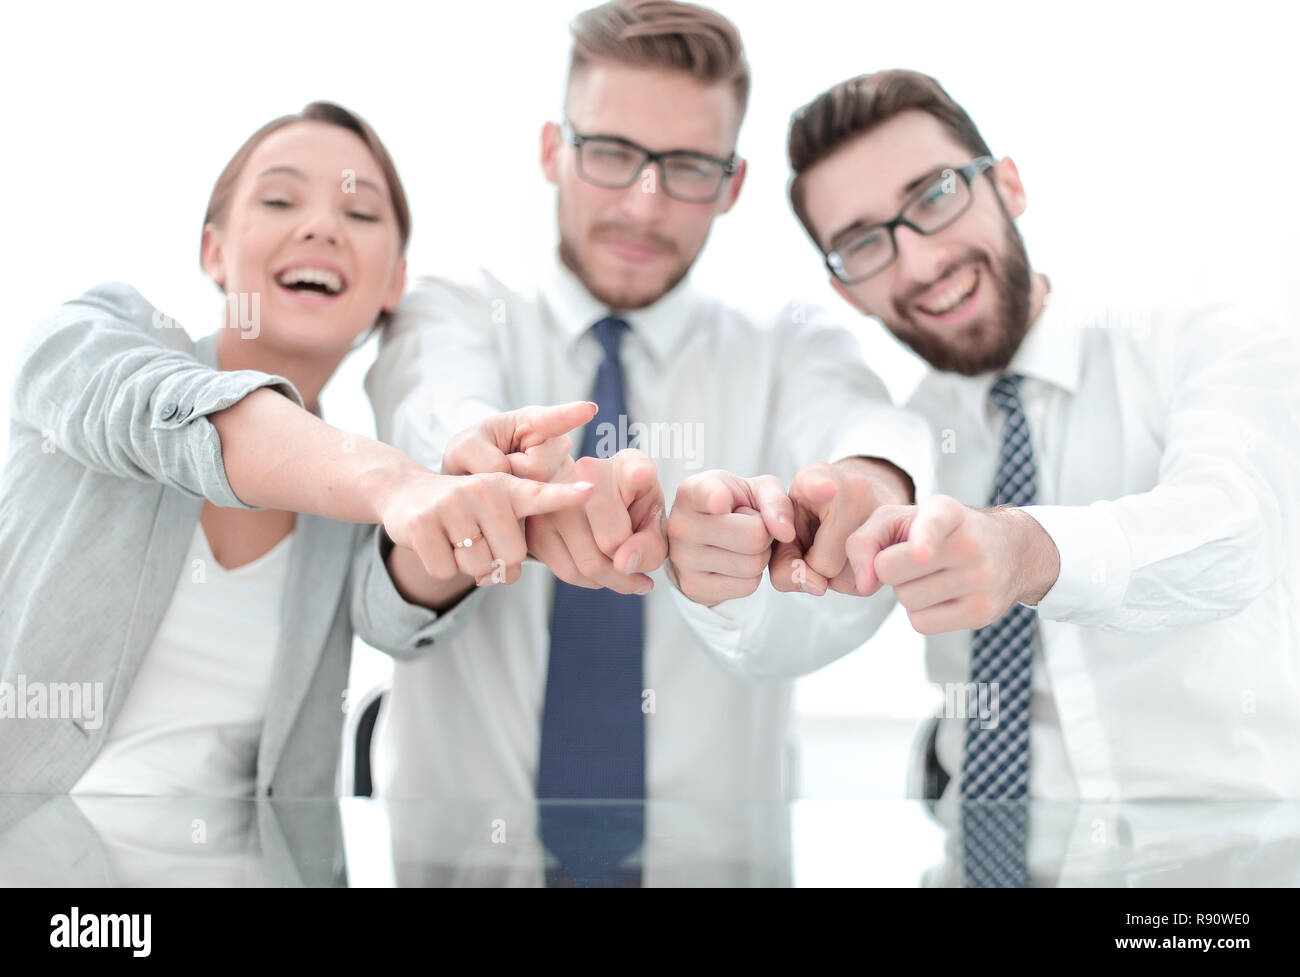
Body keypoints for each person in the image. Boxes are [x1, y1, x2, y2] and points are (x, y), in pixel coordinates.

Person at [364, 0, 931, 830]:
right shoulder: (453, 311)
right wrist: (500, 470)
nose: (644, 203)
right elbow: (434, 403)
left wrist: (864, 485)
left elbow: (864, 428)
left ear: (732, 185)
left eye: (689, 166)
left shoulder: (789, 348)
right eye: (611, 153)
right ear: (553, 150)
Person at [773, 66, 1298, 881]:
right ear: (846, 291)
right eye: (865, 242)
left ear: (1008, 186)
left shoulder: (1208, 345)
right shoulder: (897, 449)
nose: (917, 262)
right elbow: (794, 630)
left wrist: (1027, 549)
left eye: (936, 194)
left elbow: (1238, 532)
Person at [0, 101, 595, 797]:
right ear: (212, 251)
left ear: (393, 284)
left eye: (362, 215)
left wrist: (473, 498)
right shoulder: (99, 335)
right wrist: (397, 485)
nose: (321, 226)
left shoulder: (361, 493)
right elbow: (156, 408)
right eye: (280, 199)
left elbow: (398, 613)